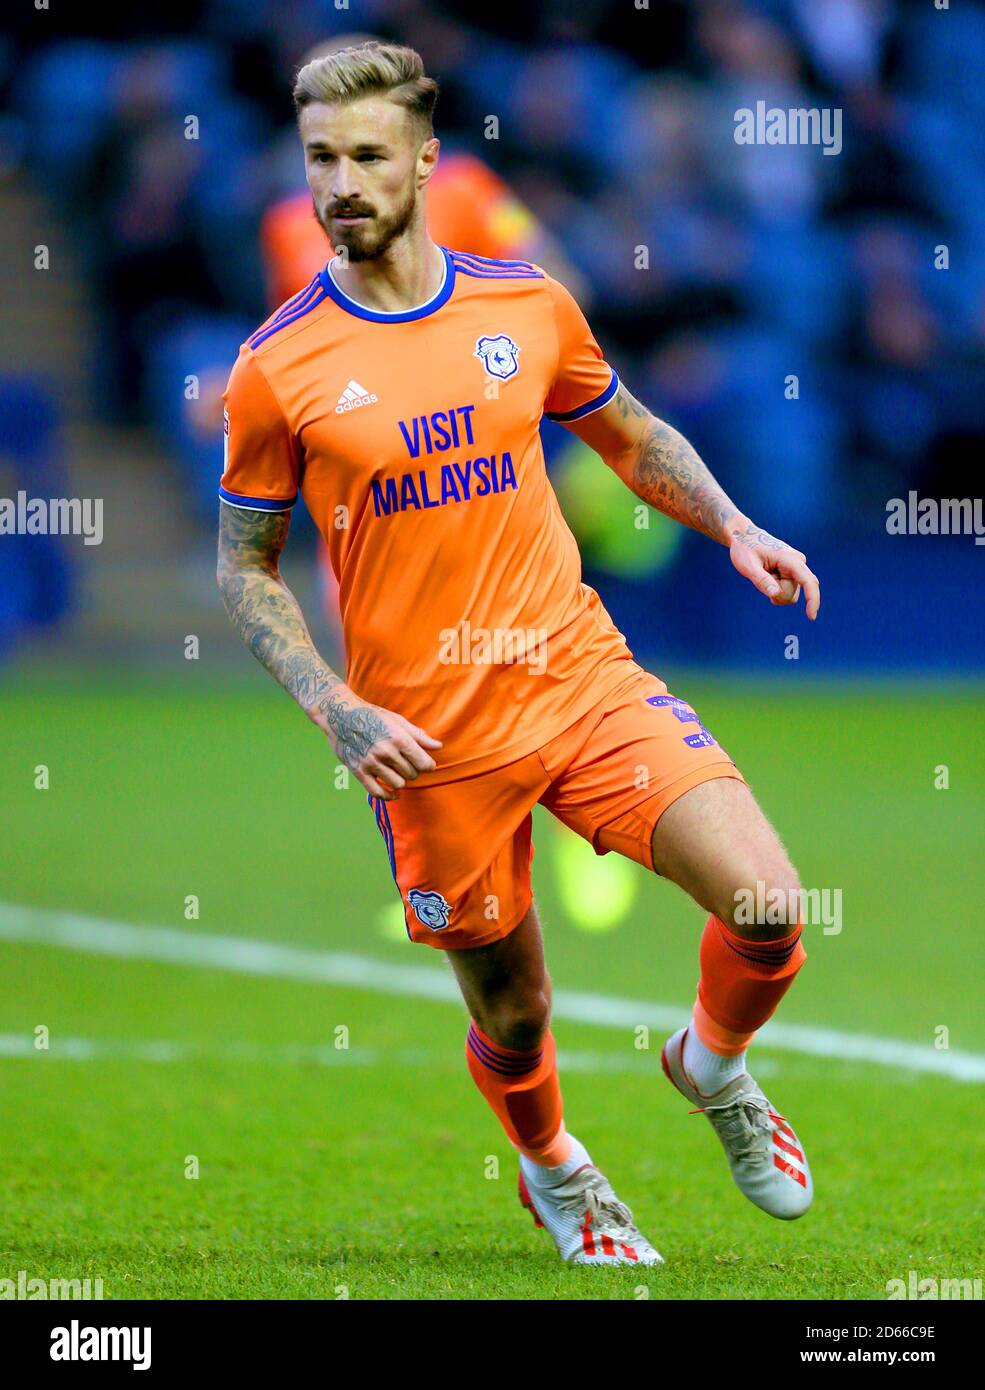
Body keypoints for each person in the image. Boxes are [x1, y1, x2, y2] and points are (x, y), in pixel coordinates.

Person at [217, 41, 820, 1267]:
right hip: (428, 738)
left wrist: (737, 525)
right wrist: (334, 708)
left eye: (369, 156)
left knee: (768, 906)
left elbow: (630, 432)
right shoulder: (276, 369)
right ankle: (554, 1166)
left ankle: (710, 1065)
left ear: (427, 164)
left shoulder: (523, 304)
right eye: (321, 157)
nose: (342, 181)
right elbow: (243, 565)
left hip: (580, 677)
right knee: (516, 1005)